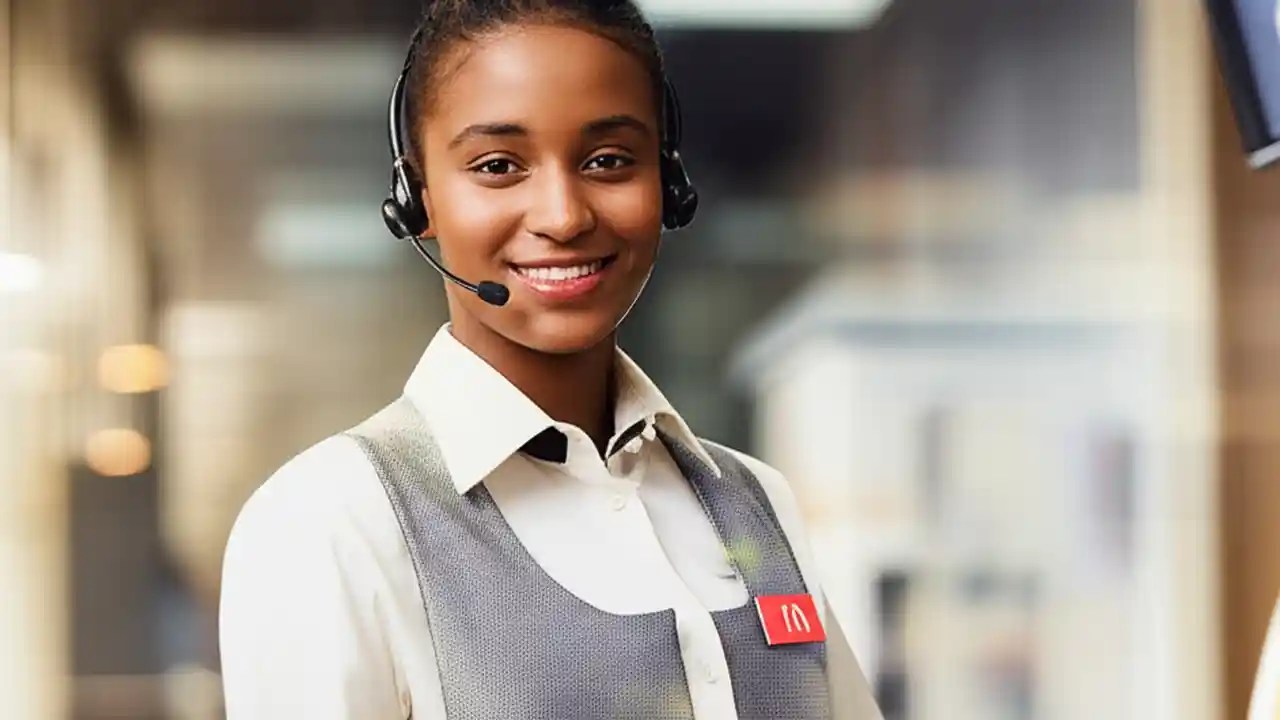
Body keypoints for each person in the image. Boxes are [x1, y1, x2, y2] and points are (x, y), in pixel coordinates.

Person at [217, 1, 883, 718]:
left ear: (669, 179)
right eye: (498, 166)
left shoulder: (757, 502)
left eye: (608, 161)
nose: (563, 215)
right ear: (418, 198)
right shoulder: (331, 521)